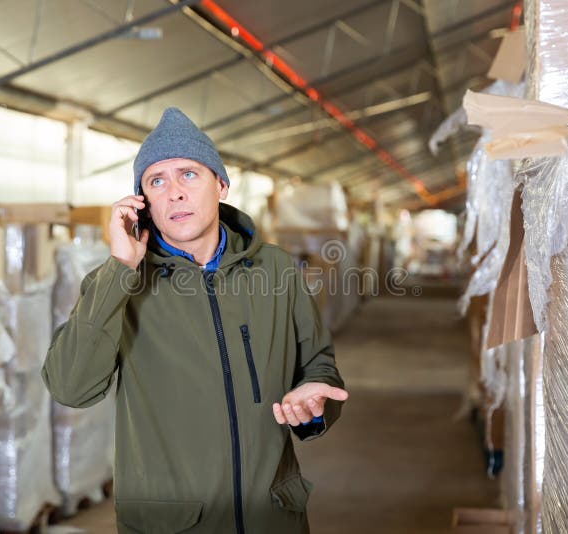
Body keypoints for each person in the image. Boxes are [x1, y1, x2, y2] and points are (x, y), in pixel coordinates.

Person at [42, 107, 348, 534]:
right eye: (156, 181)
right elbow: (70, 387)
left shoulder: (276, 271)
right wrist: (119, 270)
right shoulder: (118, 282)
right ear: (142, 201)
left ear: (221, 185)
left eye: (188, 174)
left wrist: (314, 407)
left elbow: (318, 365)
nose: (174, 193)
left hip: (272, 516)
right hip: (175, 524)